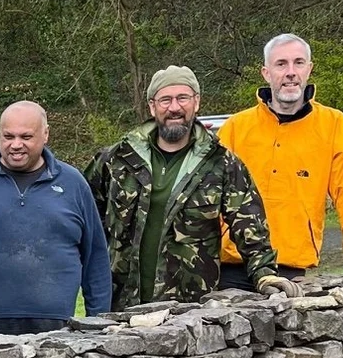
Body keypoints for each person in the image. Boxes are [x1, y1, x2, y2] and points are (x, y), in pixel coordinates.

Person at [85, 66, 296, 309]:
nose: (174, 108)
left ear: (196, 102)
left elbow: (249, 225)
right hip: (120, 302)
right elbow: (86, 217)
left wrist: (265, 274)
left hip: (189, 309)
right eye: (165, 99)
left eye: (182, 98)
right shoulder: (116, 159)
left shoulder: (221, 163)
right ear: (152, 106)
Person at [218, 33, 343, 285]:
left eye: (298, 63)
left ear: (309, 69)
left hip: (290, 266)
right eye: (281, 64)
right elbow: (208, 199)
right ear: (266, 73)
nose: (290, 72)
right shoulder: (235, 127)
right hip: (231, 268)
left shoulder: (334, 126)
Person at [0, 100, 111, 337]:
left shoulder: (73, 184)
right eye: (8, 136)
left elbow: (96, 259)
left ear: (45, 134)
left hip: (55, 332)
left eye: (26, 137)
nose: (16, 145)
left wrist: (98, 322)